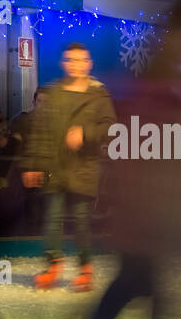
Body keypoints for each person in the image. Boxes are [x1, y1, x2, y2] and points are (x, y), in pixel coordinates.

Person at [47, 1, 181, 319]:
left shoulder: (164, 81)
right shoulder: (155, 84)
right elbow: (136, 146)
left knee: (147, 283)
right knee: (131, 283)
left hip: (151, 204)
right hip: (141, 207)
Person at [19, 42, 117, 292]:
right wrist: (32, 165)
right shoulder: (53, 93)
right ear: (64, 63)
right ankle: (53, 265)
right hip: (55, 166)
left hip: (83, 167)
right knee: (51, 219)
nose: (76, 64)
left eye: (81, 60)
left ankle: (85, 269)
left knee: (82, 221)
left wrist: (85, 134)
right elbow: (40, 132)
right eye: (71, 60)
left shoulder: (99, 95)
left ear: (89, 64)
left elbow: (111, 128)